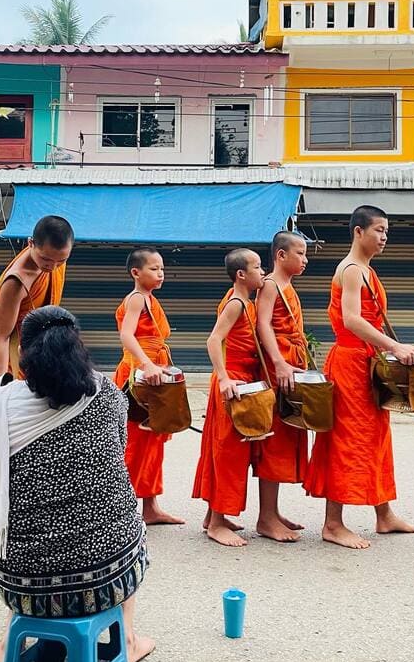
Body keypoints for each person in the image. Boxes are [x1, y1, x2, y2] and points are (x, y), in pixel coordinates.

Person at [0, 306, 154, 662]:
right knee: (128, 518)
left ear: (25, 353)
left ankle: (10, 642)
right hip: (106, 579)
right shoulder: (108, 394)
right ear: (77, 346)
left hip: (20, 586)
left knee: (22, 529)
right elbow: (117, 453)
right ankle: (127, 639)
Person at [303, 205, 414, 549]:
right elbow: (352, 319)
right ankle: (332, 523)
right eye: (378, 230)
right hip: (350, 361)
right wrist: (395, 347)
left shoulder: (366, 270)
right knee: (347, 439)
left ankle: (383, 513)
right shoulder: (352, 269)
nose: (384, 237)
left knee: (375, 437)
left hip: (367, 362)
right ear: (359, 231)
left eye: (387, 231)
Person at [192, 248, 304, 547]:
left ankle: (214, 516)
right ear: (241, 274)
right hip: (234, 381)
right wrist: (224, 377)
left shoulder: (247, 301)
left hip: (243, 378)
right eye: (257, 267)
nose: (262, 272)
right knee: (229, 453)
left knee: (231, 451)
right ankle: (216, 523)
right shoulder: (237, 303)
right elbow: (214, 339)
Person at [0, 215, 74, 444]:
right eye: (46, 259)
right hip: (9, 360)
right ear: (30, 244)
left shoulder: (55, 262)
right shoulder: (16, 282)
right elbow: (1, 337)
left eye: (61, 260)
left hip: (38, 357)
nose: (53, 267)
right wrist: (0, 390)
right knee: (6, 438)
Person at [113, 247, 184, 525]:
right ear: (136, 272)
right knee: (135, 443)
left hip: (154, 371)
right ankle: (123, 508)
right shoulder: (136, 299)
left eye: (162, 269)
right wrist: (146, 365)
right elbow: (126, 336)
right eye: (154, 269)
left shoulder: (149, 299)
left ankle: (151, 506)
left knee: (153, 442)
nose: (161, 274)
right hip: (139, 376)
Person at [255, 230, 311, 537]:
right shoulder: (271, 284)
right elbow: (263, 323)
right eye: (300, 253)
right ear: (280, 255)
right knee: (274, 440)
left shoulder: (287, 285)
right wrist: (278, 362)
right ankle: (265, 517)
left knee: (287, 437)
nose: (305, 260)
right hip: (280, 368)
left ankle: (273, 511)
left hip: (292, 362)